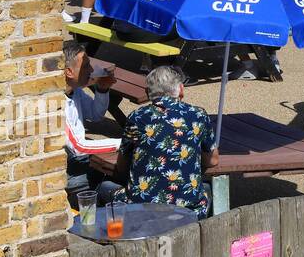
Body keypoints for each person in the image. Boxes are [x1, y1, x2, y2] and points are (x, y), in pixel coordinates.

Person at [111, 66, 218, 216]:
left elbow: (122, 166)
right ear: (181, 89)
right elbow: (212, 161)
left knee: (105, 188)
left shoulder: (137, 117)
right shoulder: (198, 115)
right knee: (204, 190)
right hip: (189, 210)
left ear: (148, 93)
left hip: (141, 209)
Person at [63, 40, 121, 206]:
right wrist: (122, 143)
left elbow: (95, 115)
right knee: (118, 182)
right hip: (70, 173)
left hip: (80, 161)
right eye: (86, 65)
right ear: (69, 71)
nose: (91, 70)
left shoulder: (75, 91)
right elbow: (79, 147)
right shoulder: (57, 103)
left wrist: (102, 90)